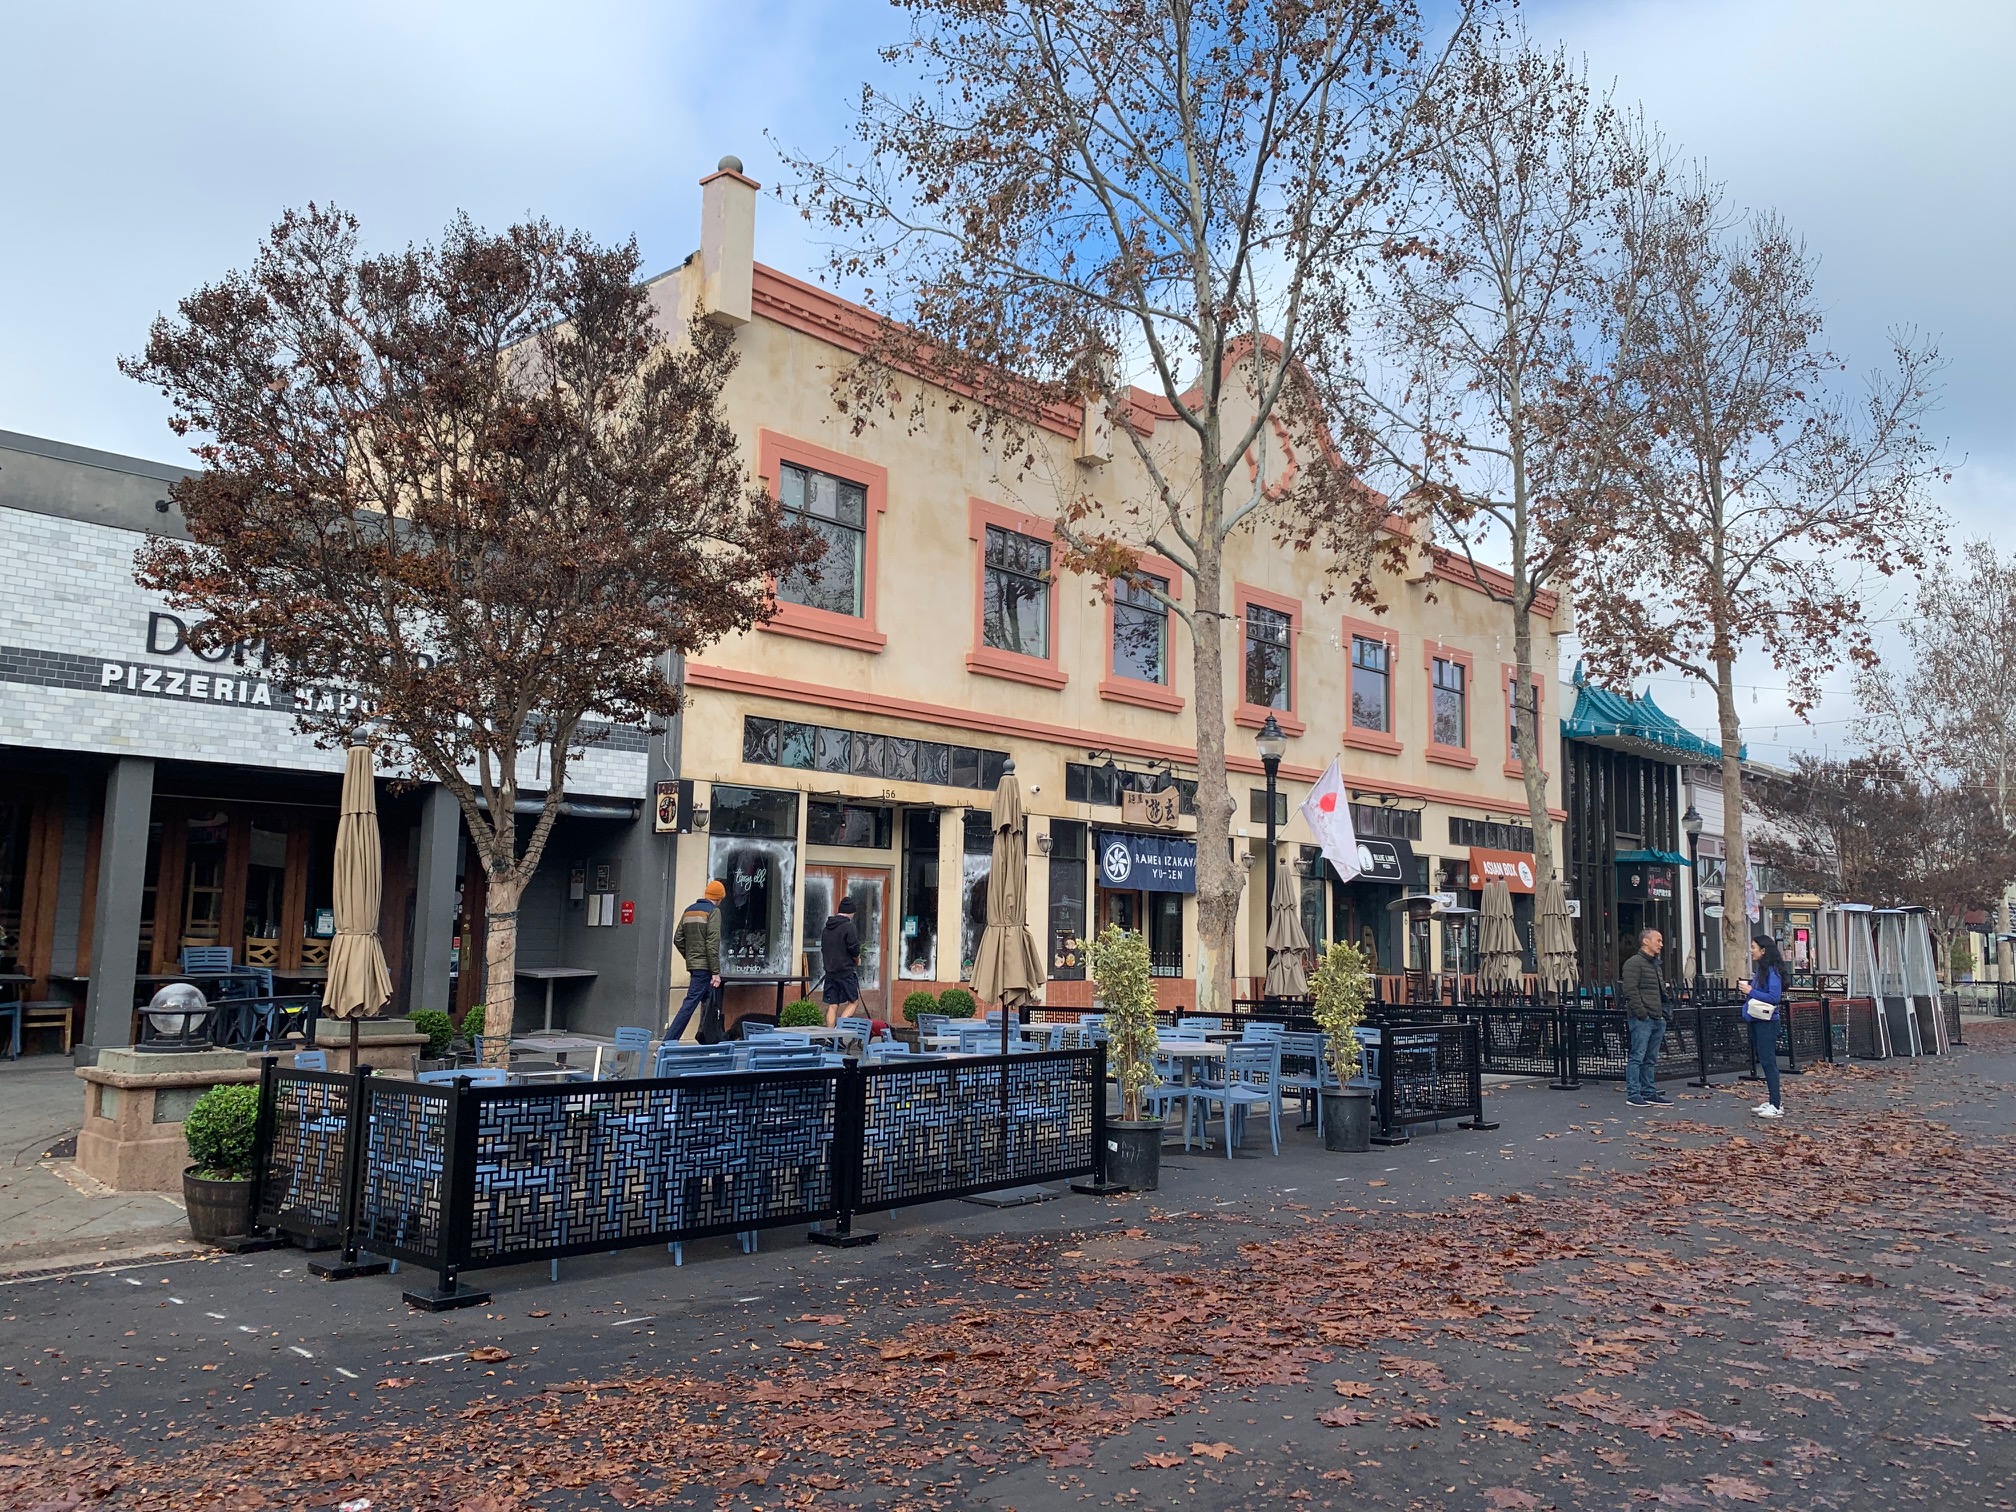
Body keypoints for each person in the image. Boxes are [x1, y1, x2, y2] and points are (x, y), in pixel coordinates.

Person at [664, 880, 725, 1043]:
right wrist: (716, 973)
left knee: (710, 1003)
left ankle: (710, 1041)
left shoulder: (689, 911)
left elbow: (678, 939)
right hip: (705, 968)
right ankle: (667, 1042)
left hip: (695, 966)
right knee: (690, 1005)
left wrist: (691, 957)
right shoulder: (714, 912)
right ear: (719, 899)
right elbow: (712, 944)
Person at [1619, 927, 1672, 1107]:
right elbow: (1630, 990)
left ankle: (1649, 1091)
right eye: (1658, 940)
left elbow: (1658, 990)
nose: (1661, 945)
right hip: (1643, 1018)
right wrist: (1642, 1013)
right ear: (1646, 941)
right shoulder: (1634, 963)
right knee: (1638, 1056)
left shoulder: (1654, 964)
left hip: (1656, 1016)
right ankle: (1633, 1093)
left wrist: (1663, 1013)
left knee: (1650, 1058)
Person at [1740, 931, 1787, 1119]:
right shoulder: (1762, 969)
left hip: (1767, 1022)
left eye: (1753, 947)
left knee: (1769, 1062)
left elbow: (1774, 998)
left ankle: (1776, 1103)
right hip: (1758, 1020)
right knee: (1766, 1062)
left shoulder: (1772, 971)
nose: (1751, 951)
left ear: (1763, 950)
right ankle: (1773, 1100)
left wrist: (1750, 991)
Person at [820, 897, 863, 1027]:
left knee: (833, 1005)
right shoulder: (849, 927)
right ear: (851, 912)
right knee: (853, 1001)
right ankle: (839, 1030)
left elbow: (824, 948)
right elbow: (854, 948)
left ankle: (830, 1038)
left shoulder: (827, 928)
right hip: (845, 972)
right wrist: (857, 960)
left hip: (830, 972)